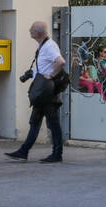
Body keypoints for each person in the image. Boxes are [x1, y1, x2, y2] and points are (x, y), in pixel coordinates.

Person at [5, 21, 66, 163]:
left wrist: (51, 75)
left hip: (47, 92)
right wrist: (32, 73)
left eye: (31, 29)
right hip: (42, 93)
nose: (29, 30)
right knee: (36, 121)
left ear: (38, 33)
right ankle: (24, 151)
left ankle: (56, 154)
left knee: (52, 122)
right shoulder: (43, 45)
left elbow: (61, 62)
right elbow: (46, 65)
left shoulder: (49, 46)